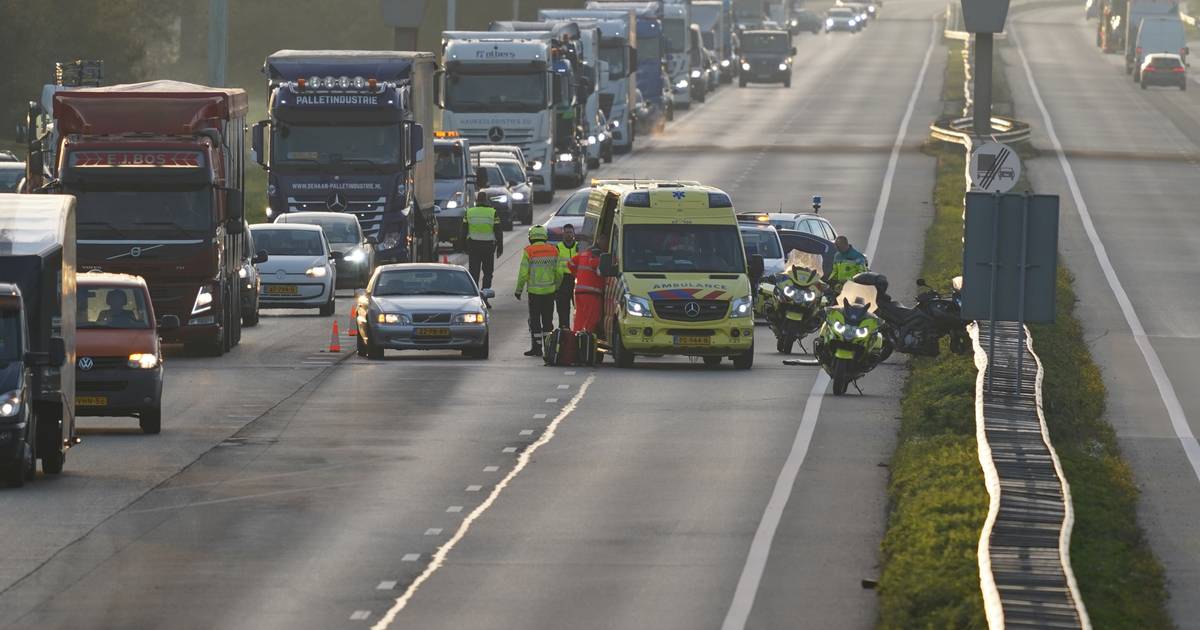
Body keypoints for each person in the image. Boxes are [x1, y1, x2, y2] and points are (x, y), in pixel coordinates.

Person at [514, 225, 562, 356]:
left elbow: (523, 274)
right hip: (549, 293)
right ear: (545, 236)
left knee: (535, 320)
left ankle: (536, 347)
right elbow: (559, 273)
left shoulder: (529, 251)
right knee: (547, 320)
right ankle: (548, 347)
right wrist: (556, 287)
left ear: (531, 237)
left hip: (535, 293)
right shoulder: (553, 250)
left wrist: (518, 290)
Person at [461, 191, 503, 291]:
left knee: (474, 273)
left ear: (476, 200)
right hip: (488, 247)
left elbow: (463, 230)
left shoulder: (469, 212)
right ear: (486, 200)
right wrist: (500, 247)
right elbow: (498, 231)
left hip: (473, 246)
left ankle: (475, 296)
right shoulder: (493, 212)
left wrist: (463, 246)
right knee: (488, 273)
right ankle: (485, 295)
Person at [568, 244, 605, 333]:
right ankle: (586, 341)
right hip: (591, 294)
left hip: (579, 292)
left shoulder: (583, 254)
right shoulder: (598, 259)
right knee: (591, 319)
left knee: (579, 318)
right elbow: (599, 270)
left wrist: (577, 275)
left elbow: (570, 263)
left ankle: (576, 341)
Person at [554, 224, 580, 329]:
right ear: (563, 234)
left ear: (574, 234)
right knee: (563, 310)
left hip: (576, 280)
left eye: (570, 232)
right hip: (563, 281)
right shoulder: (558, 248)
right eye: (566, 232)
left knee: (578, 309)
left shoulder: (579, 247)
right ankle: (564, 331)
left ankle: (578, 332)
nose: (568, 235)